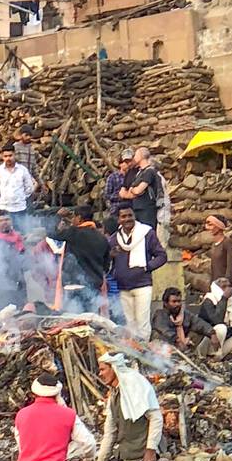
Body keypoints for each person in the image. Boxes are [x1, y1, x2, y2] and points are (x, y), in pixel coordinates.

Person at [109, 206, 167, 341]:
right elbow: (107, 261)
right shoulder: (114, 239)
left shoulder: (146, 233)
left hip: (142, 285)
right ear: (119, 220)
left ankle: (145, 352)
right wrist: (112, 259)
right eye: (124, 216)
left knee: (143, 323)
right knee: (130, 324)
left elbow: (162, 256)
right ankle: (134, 353)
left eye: (130, 215)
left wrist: (146, 267)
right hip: (123, 287)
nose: (128, 219)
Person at [54, 204, 110, 308]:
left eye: (74, 217)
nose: (72, 220)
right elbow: (106, 266)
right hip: (94, 287)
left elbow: (53, 233)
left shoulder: (74, 233)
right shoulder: (102, 238)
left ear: (79, 218)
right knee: (91, 321)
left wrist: (58, 216)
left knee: (74, 321)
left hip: (74, 285)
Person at [0, 212, 27, 312]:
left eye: (7, 220)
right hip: (2, 282)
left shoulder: (17, 237)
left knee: (20, 312)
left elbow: (23, 257)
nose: (5, 222)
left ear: (11, 221)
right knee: (3, 313)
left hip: (19, 280)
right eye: (1, 220)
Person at [0, 146, 36, 231]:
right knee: (3, 234)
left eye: (10, 155)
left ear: (15, 155)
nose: (8, 158)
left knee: (21, 233)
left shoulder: (23, 170)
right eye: (5, 156)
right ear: (2, 157)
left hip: (19, 208)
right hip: (3, 208)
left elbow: (29, 187)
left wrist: (21, 197)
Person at [118, 146, 161, 229]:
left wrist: (132, 191)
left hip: (147, 209)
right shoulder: (139, 173)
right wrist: (132, 191)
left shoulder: (149, 171)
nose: (134, 158)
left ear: (141, 157)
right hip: (136, 208)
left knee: (147, 232)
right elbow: (124, 192)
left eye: (135, 155)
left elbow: (137, 190)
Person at [205, 215, 232, 286]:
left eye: (211, 225)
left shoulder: (228, 243)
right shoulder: (214, 245)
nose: (208, 228)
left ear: (219, 226)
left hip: (225, 286)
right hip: (215, 284)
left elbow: (230, 268)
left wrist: (226, 285)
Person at [105, 150, 134, 219]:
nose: (128, 164)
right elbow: (107, 195)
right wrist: (119, 196)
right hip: (116, 207)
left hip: (131, 207)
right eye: (125, 162)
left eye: (129, 162)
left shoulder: (134, 175)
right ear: (120, 164)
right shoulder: (113, 177)